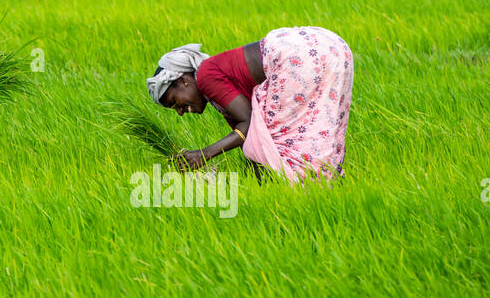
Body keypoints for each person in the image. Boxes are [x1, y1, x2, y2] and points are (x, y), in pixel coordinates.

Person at [147, 27, 353, 182]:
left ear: (184, 81)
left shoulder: (205, 76)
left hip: (295, 57)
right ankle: (329, 183)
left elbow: (249, 124)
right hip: (330, 46)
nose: (181, 112)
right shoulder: (216, 76)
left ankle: (313, 188)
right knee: (313, 129)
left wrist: (205, 154)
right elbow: (251, 139)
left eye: (176, 103)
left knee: (281, 143)